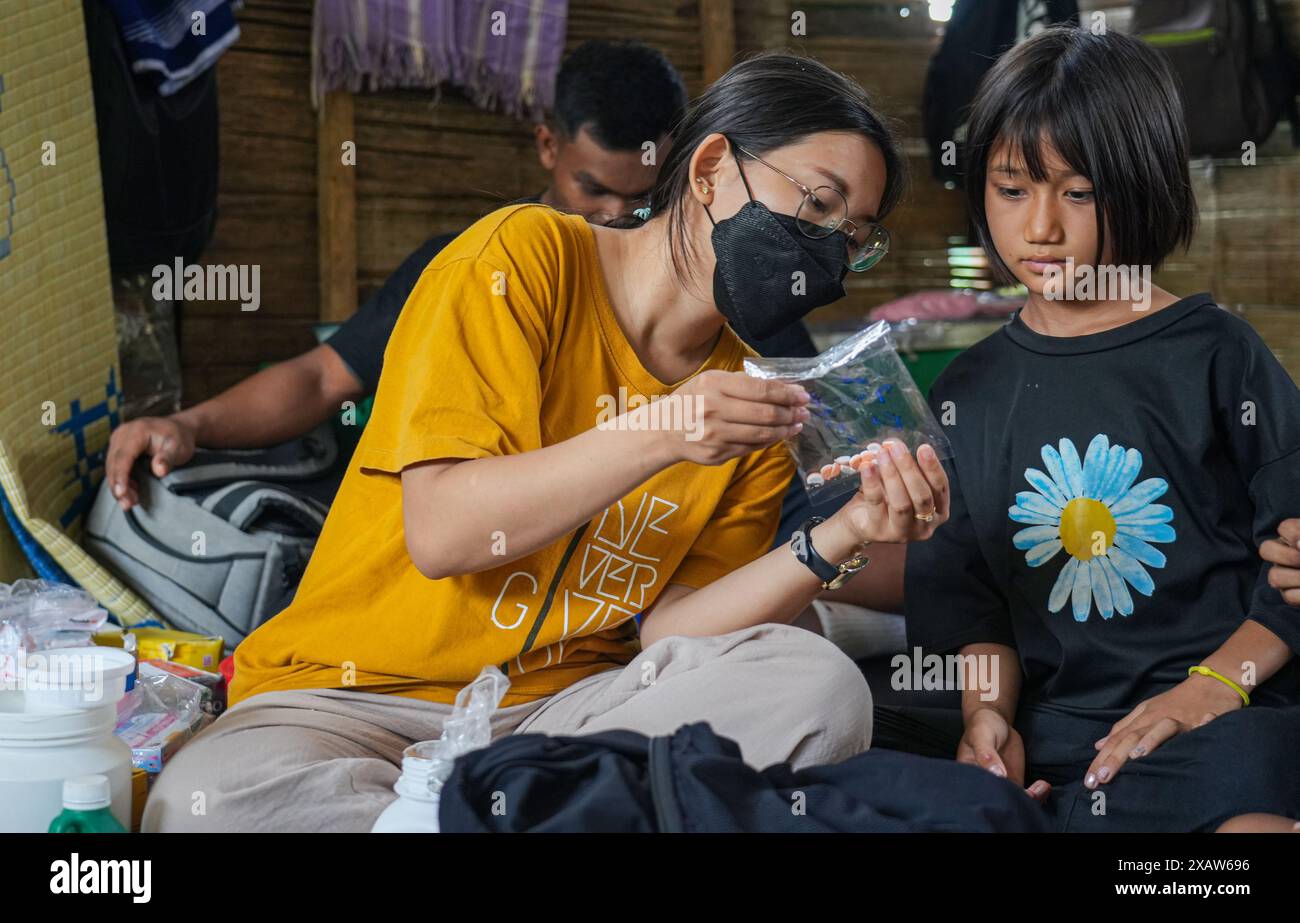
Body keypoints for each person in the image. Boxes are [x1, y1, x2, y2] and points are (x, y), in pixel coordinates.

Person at [142, 51, 950, 833]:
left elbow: (670, 634)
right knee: (205, 801)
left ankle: (444, 817)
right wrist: (664, 428)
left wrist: (841, 534)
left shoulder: (753, 399)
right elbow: (444, 532)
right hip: (349, 701)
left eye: (853, 237)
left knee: (818, 688)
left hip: (564, 723)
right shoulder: (518, 261)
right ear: (709, 170)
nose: (829, 251)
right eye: (817, 204)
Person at [904, 26, 1300, 832]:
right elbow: (971, 602)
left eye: (1080, 193)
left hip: (1234, 714)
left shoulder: (1218, 355)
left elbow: (1293, 573)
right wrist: (988, 721)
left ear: (1146, 186)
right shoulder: (968, 390)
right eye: (1012, 189)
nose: (1041, 228)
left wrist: (1211, 688)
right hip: (1066, 742)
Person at [104, 40, 695, 508]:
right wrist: (187, 423)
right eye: (592, 189)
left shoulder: (691, 290)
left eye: (644, 197)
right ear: (547, 146)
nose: (616, 216)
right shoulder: (464, 267)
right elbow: (321, 381)